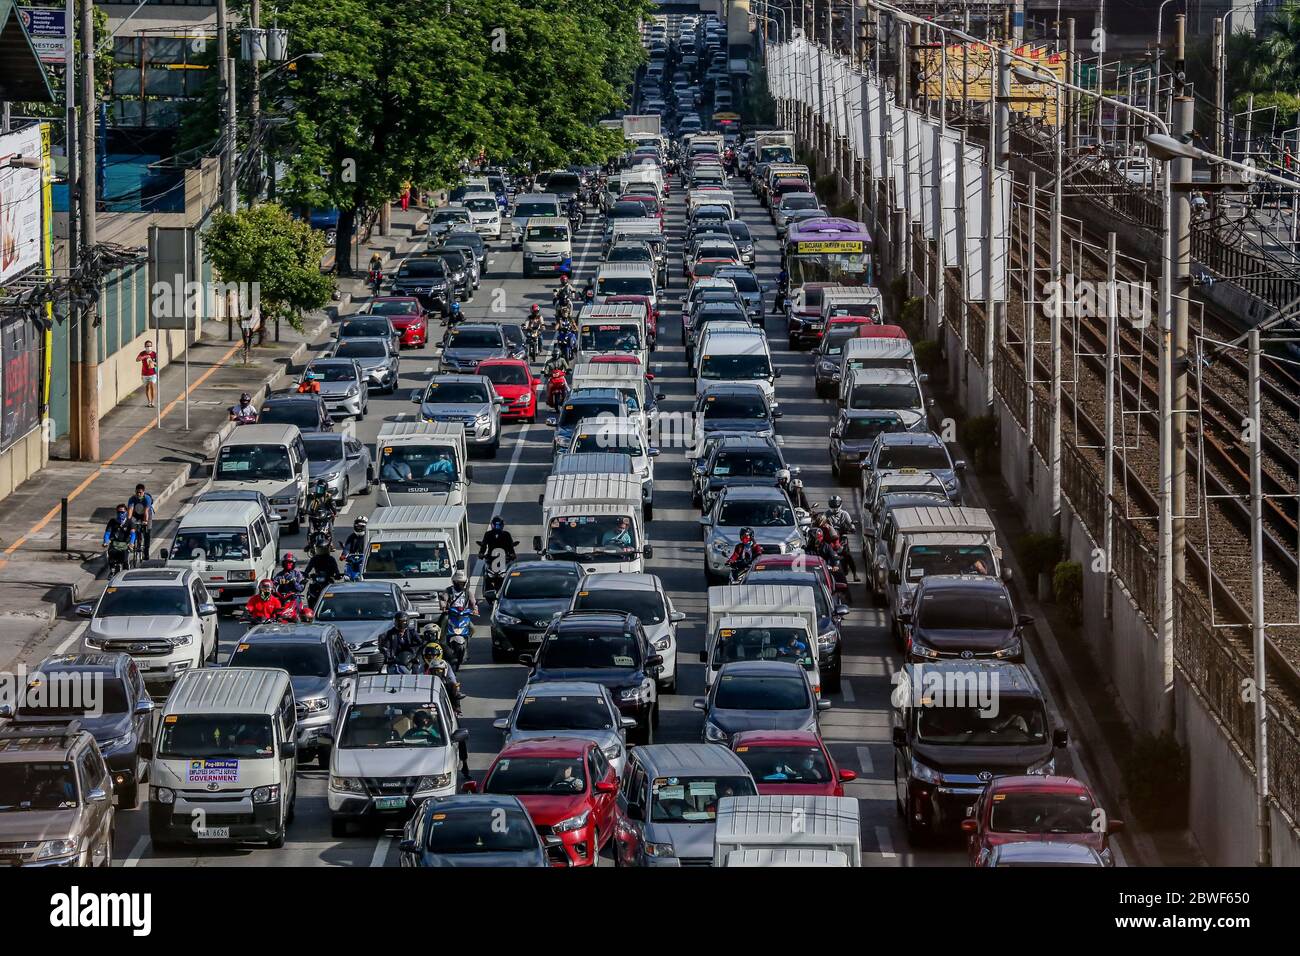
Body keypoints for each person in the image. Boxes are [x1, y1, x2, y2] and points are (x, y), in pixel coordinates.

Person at [823, 495, 859, 581]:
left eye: (836, 505)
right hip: (830, 538)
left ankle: (855, 574)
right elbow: (821, 522)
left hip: (842, 537)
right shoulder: (826, 514)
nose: (835, 507)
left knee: (848, 555)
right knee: (823, 553)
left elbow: (850, 523)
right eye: (832, 505)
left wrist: (852, 528)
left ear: (840, 504)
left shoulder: (844, 514)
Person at [102, 505, 137, 576]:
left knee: (125, 559)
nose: (120, 514)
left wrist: (131, 543)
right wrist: (106, 541)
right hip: (114, 543)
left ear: (126, 512)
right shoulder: (112, 522)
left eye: (122, 512)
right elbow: (107, 533)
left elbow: (133, 534)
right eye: (119, 512)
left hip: (125, 544)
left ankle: (126, 572)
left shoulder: (130, 522)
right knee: (111, 554)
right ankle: (112, 570)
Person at [126, 483, 154, 559]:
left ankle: (146, 551)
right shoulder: (132, 499)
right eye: (137, 492)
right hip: (136, 514)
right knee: (134, 527)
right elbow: (130, 510)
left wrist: (145, 522)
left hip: (147, 514)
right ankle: (137, 544)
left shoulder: (147, 498)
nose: (138, 494)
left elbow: (146, 512)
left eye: (140, 492)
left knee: (147, 532)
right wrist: (128, 521)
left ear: (143, 492)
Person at [136, 340, 158, 408]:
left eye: (150, 346)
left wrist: (153, 363)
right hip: (145, 374)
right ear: (145, 347)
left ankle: (153, 401)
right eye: (147, 346)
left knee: (152, 385)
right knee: (147, 387)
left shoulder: (154, 354)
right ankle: (149, 402)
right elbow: (137, 359)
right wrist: (145, 357)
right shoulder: (142, 353)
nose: (149, 347)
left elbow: (157, 363)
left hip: (152, 373)